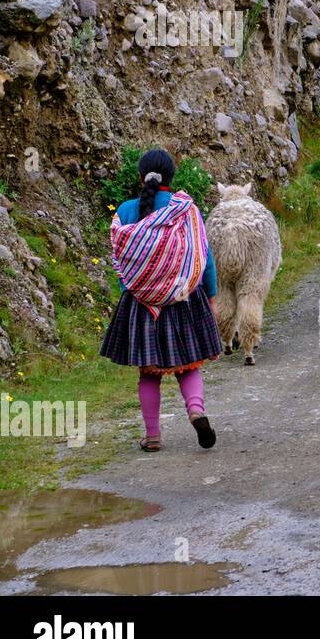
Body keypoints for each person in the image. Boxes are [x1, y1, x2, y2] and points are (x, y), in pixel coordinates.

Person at [100, 149, 222, 452]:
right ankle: (196, 411)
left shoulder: (126, 211)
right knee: (188, 367)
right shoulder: (186, 210)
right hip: (184, 298)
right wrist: (211, 295)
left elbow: (122, 262)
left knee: (148, 372)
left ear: (141, 177)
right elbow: (203, 257)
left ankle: (152, 436)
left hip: (142, 304)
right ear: (172, 177)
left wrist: (135, 290)